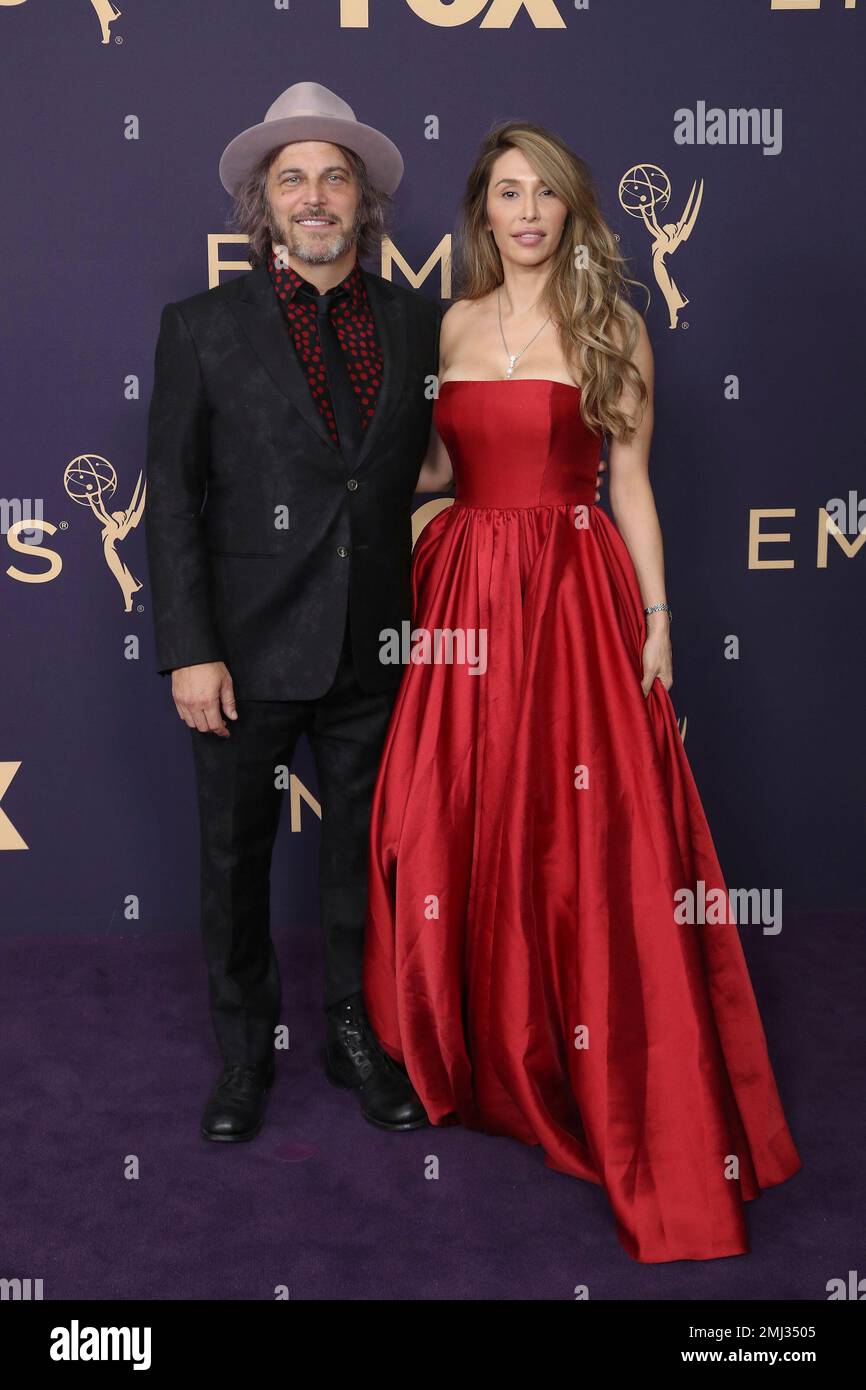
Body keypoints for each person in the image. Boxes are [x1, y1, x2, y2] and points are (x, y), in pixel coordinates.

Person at [362, 121, 802, 1264]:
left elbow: (633, 485)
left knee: (577, 830)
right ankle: (482, 1050)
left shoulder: (613, 326)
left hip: (567, 588)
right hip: (460, 587)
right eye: (505, 193)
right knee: (461, 810)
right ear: (482, 210)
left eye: (542, 194)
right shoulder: (446, 324)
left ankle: (582, 1054)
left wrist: (656, 620)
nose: (523, 213)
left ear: (569, 211)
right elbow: (435, 469)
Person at [145, 82, 446, 1142]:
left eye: (333, 178)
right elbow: (173, 497)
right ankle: (242, 1055)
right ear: (261, 205)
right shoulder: (200, 327)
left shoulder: (418, 320)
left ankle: (353, 1034)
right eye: (293, 181)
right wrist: (190, 650)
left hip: (375, 642)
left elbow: (434, 462)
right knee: (233, 859)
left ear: (363, 202)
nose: (315, 198)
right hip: (244, 648)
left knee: (364, 859)